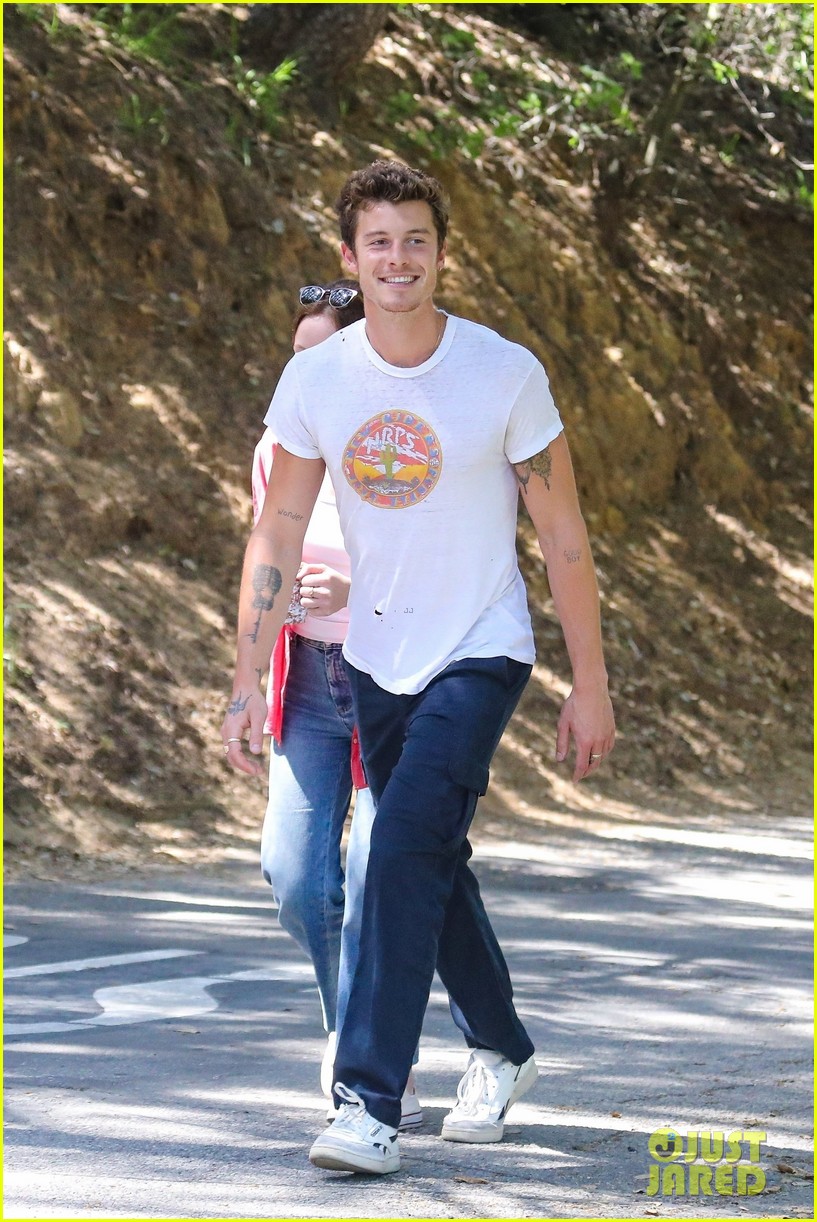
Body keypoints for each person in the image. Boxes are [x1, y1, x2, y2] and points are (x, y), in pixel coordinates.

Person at [222, 159, 615, 1177]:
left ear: (442, 253)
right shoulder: (319, 377)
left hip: (480, 648)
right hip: (374, 657)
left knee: (393, 849)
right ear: (350, 259)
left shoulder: (502, 373)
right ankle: (502, 1044)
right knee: (428, 861)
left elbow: (563, 534)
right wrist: (243, 675)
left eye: (417, 240)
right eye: (379, 242)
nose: (399, 259)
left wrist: (590, 681)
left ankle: (367, 1102)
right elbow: (276, 533)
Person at [252, 277, 422, 1129]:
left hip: (393, 678)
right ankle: (350, 1023)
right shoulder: (274, 450)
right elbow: (262, 564)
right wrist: (241, 682)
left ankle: (386, 1048)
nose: (304, 374)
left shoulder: (401, 447)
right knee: (294, 878)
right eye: (296, 357)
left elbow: (448, 565)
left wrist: (355, 583)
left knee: (379, 877)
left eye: (322, 357)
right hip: (308, 682)